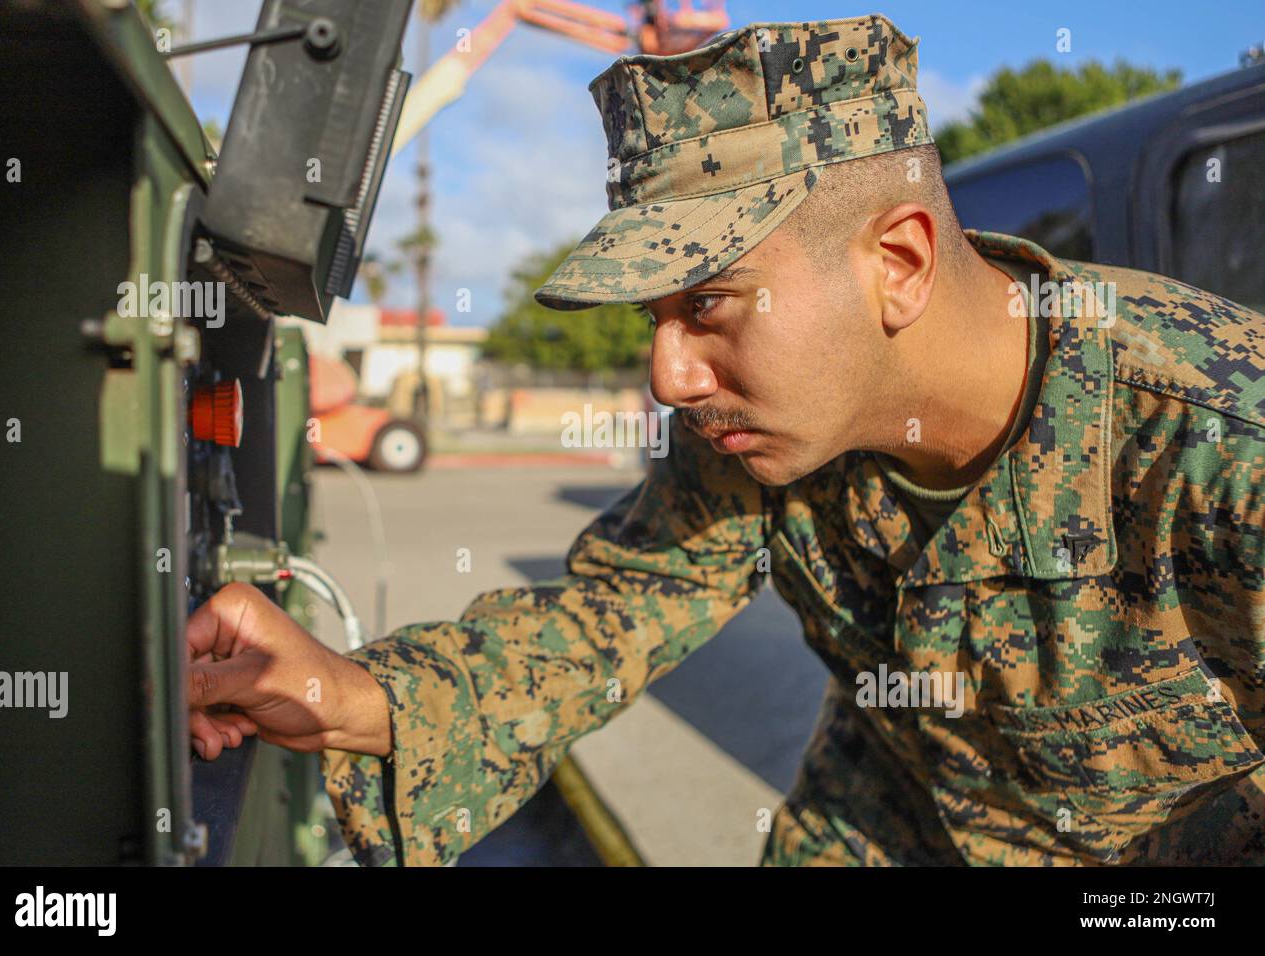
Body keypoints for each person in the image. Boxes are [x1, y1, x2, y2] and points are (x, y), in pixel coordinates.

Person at [187, 14, 1265, 866]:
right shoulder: (755, 427)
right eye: (651, 318)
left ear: (896, 262)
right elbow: (610, 613)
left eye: (707, 303)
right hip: (887, 818)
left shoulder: (1222, 443)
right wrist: (348, 693)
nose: (668, 373)